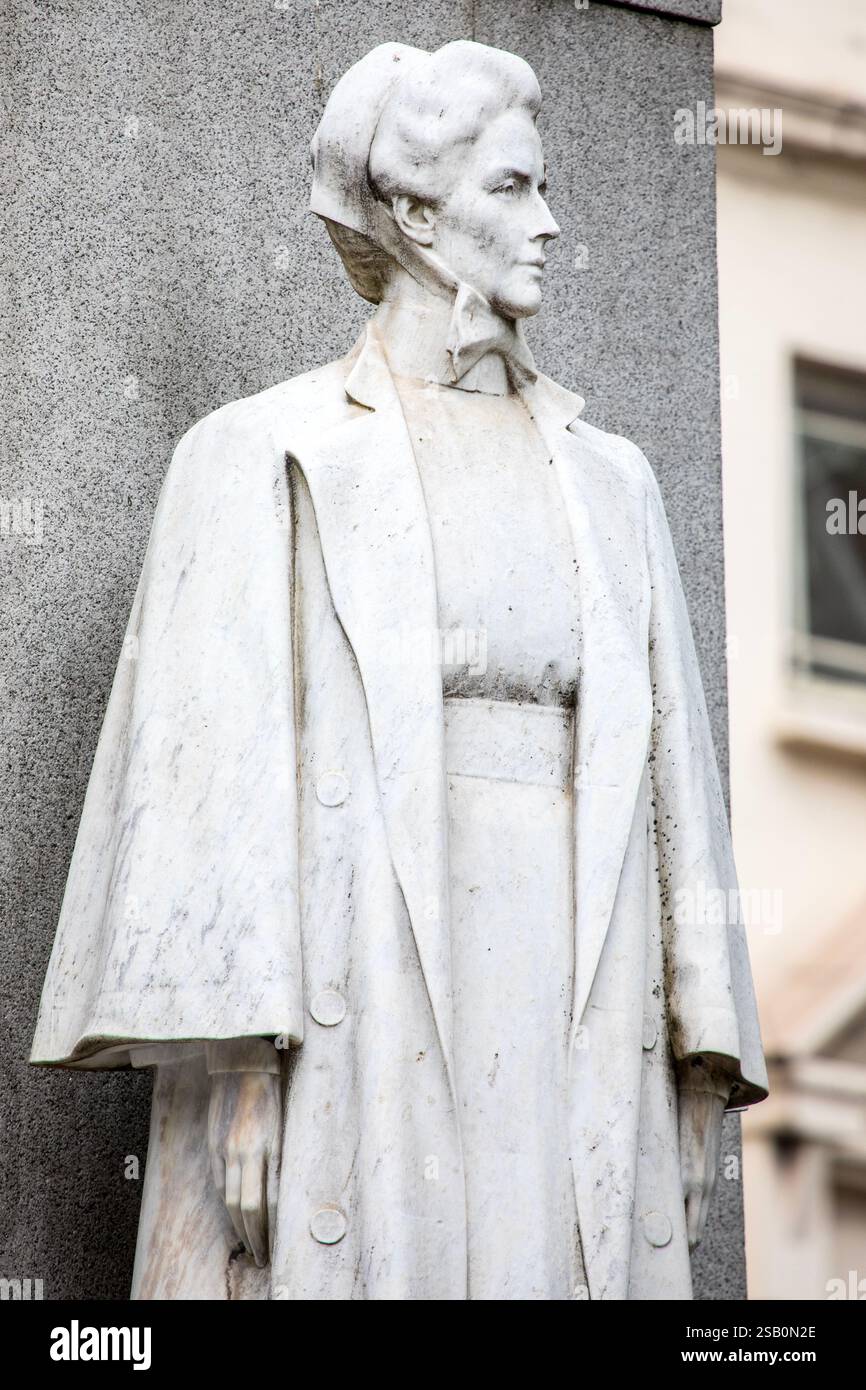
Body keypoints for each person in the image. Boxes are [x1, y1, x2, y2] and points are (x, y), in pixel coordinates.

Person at [31, 39, 767, 1301]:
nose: (549, 226)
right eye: (513, 189)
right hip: (361, 969)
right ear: (416, 211)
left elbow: (676, 799)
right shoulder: (261, 453)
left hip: (574, 977)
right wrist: (236, 1076)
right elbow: (207, 801)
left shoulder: (613, 481)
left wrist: (698, 1057)